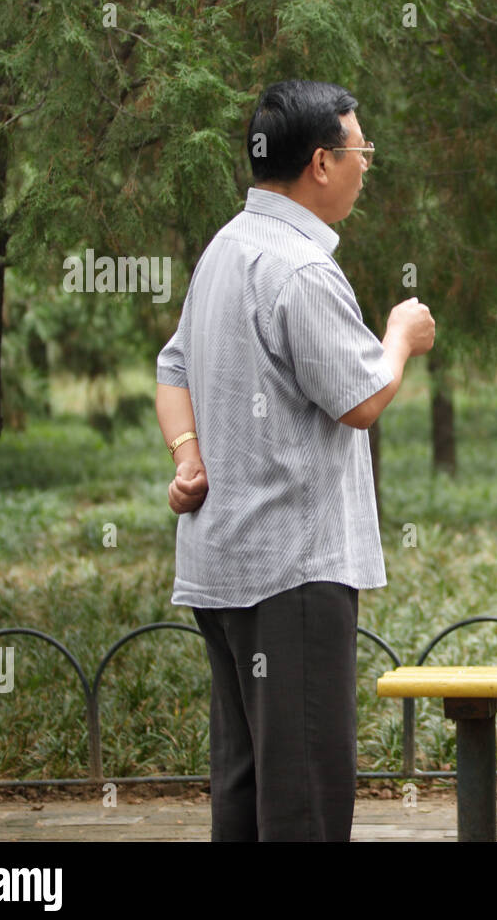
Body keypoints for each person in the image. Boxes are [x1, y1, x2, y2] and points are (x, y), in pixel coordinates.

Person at [153, 79, 435, 841]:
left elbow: (171, 370)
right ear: (320, 161)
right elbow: (362, 398)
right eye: (360, 150)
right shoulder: (300, 268)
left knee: (245, 784)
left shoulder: (226, 248)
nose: (366, 165)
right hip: (294, 572)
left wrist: (188, 457)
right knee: (305, 791)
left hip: (224, 565)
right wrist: (401, 335)